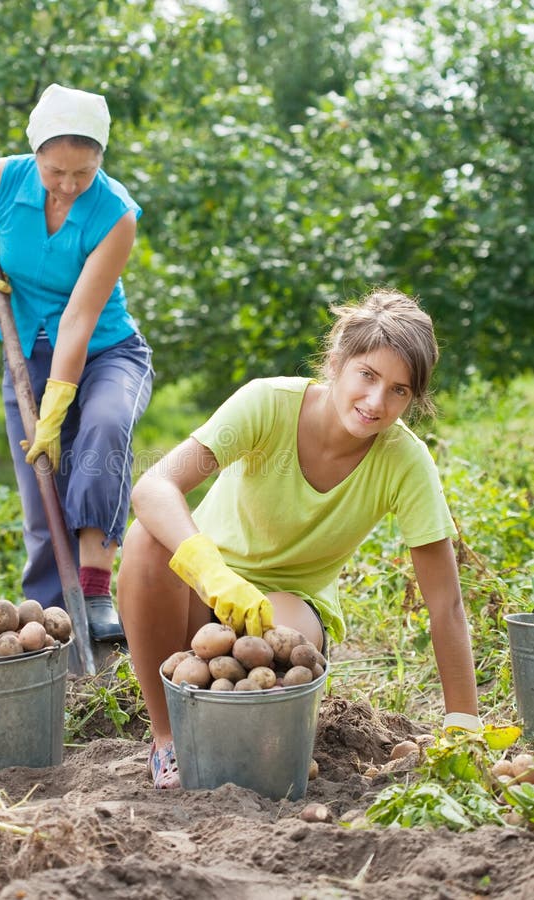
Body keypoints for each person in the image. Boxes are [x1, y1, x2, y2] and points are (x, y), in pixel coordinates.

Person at [117, 288, 481, 789]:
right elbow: (154, 485)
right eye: (368, 375)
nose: (377, 402)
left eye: (399, 390)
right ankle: (168, 741)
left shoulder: (404, 461)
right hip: (199, 591)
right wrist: (212, 571)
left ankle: (230, 733)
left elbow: (446, 605)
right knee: (145, 541)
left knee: (271, 649)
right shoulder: (269, 404)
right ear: (337, 362)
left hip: (290, 604)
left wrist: (464, 729)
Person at [0, 84, 153, 641]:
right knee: (42, 499)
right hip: (28, 354)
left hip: (108, 352)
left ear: (100, 162)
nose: (67, 185)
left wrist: (57, 403)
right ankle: (50, 625)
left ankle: (93, 593)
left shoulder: (117, 214)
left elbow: (79, 320)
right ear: (36, 153)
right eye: (56, 171)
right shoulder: (8, 177)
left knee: (104, 430)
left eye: (82, 173)